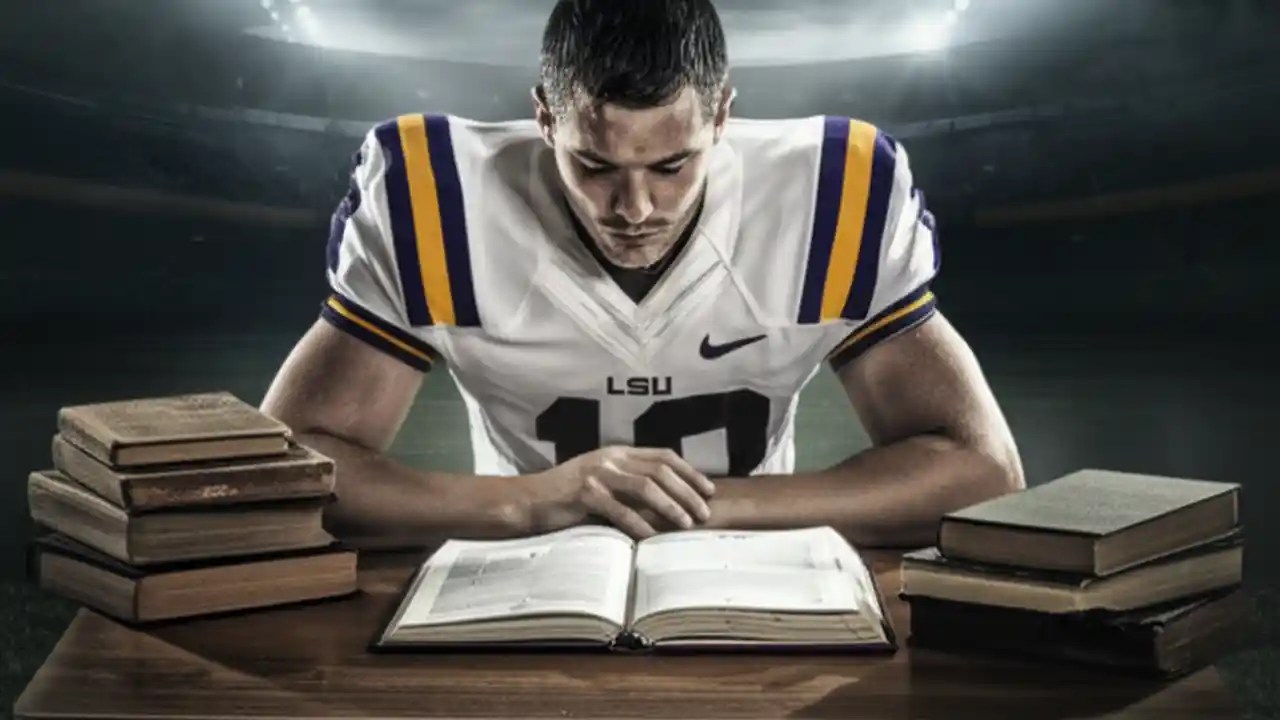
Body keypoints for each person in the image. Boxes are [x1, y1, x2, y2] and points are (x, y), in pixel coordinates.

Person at [260, 0, 1024, 549]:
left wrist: (707, 506)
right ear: (545, 119)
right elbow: (292, 466)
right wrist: (531, 504)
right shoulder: (437, 198)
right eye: (594, 165)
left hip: (756, 571)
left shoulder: (829, 194)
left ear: (721, 117)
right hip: (525, 572)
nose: (635, 206)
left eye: (672, 164)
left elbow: (980, 471)